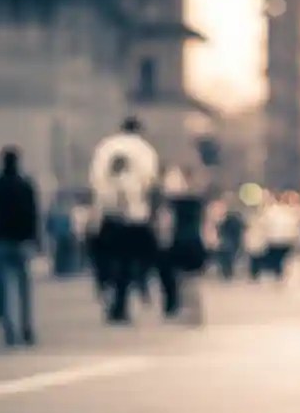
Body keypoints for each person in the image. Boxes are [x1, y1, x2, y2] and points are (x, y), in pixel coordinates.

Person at [89, 117, 160, 323]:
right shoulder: (145, 150)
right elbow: (150, 183)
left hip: (108, 215)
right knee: (131, 262)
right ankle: (126, 298)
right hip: (135, 217)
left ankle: (109, 293)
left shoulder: (105, 147)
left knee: (107, 260)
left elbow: (95, 181)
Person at [0, 147, 40, 345]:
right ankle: (26, 327)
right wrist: (34, 238)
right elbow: (33, 214)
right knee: (23, 289)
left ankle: (9, 329)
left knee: (2, 287)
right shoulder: (25, 185)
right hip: (21, 241)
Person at [154, 164, 210, 324]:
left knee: (180, 279)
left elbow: (167, 223)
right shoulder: (198, 204)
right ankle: (195, 311)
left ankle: (183, 310)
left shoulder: (173, 205)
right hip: (195, 241)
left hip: (178, 242)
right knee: (193, 280)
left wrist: (163, 241)